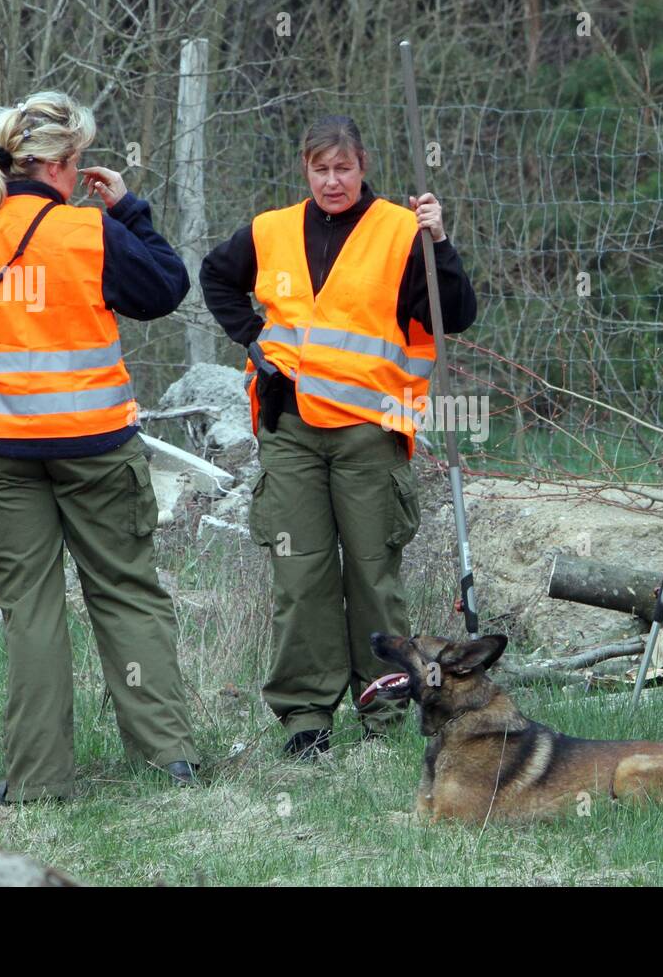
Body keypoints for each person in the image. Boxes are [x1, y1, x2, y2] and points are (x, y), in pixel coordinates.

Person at [0, 91, 200, 803]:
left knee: (29, 610)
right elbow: (166, 287)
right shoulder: (91, 233)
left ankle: (37, 779)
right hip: (96, 447)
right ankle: (168, 758)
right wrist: (129, 209)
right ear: (62, 163)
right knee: (125, 592)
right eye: (79, 160)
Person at [201, 115, 477, 760]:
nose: (332, 181)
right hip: (290, 431)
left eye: (343, 169)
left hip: (369, 435)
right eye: (320, 169)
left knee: (374, 578)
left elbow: (456, 315)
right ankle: (305, 720)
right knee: (301, 579)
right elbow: (216, 276)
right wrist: (251, 337)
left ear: (362, 167)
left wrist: (440, 243)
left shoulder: (402, 230)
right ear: (306, 169)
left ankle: (383, 715)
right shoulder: (270, 231)